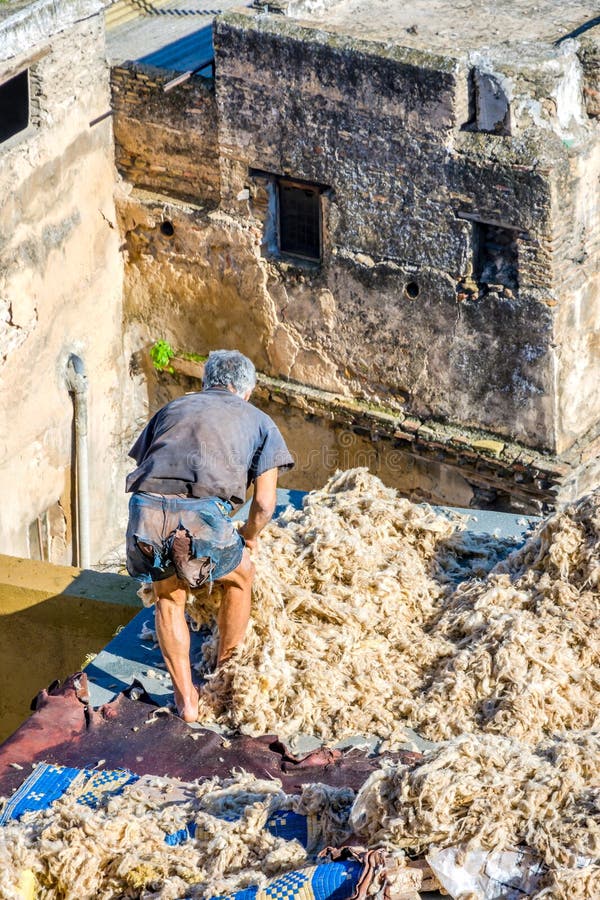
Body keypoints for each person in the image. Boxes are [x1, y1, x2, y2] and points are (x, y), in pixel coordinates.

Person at [125, 349, 294, 722]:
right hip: (199, 516)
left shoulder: (171, 409)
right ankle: (224, 676)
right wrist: (248, 537)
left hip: (145, 512)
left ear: (206, 382)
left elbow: (149, 465)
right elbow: (265, 504)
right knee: (241, 575)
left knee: (169, 599)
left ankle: (186, 701)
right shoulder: (261, 422)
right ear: (246, 391)